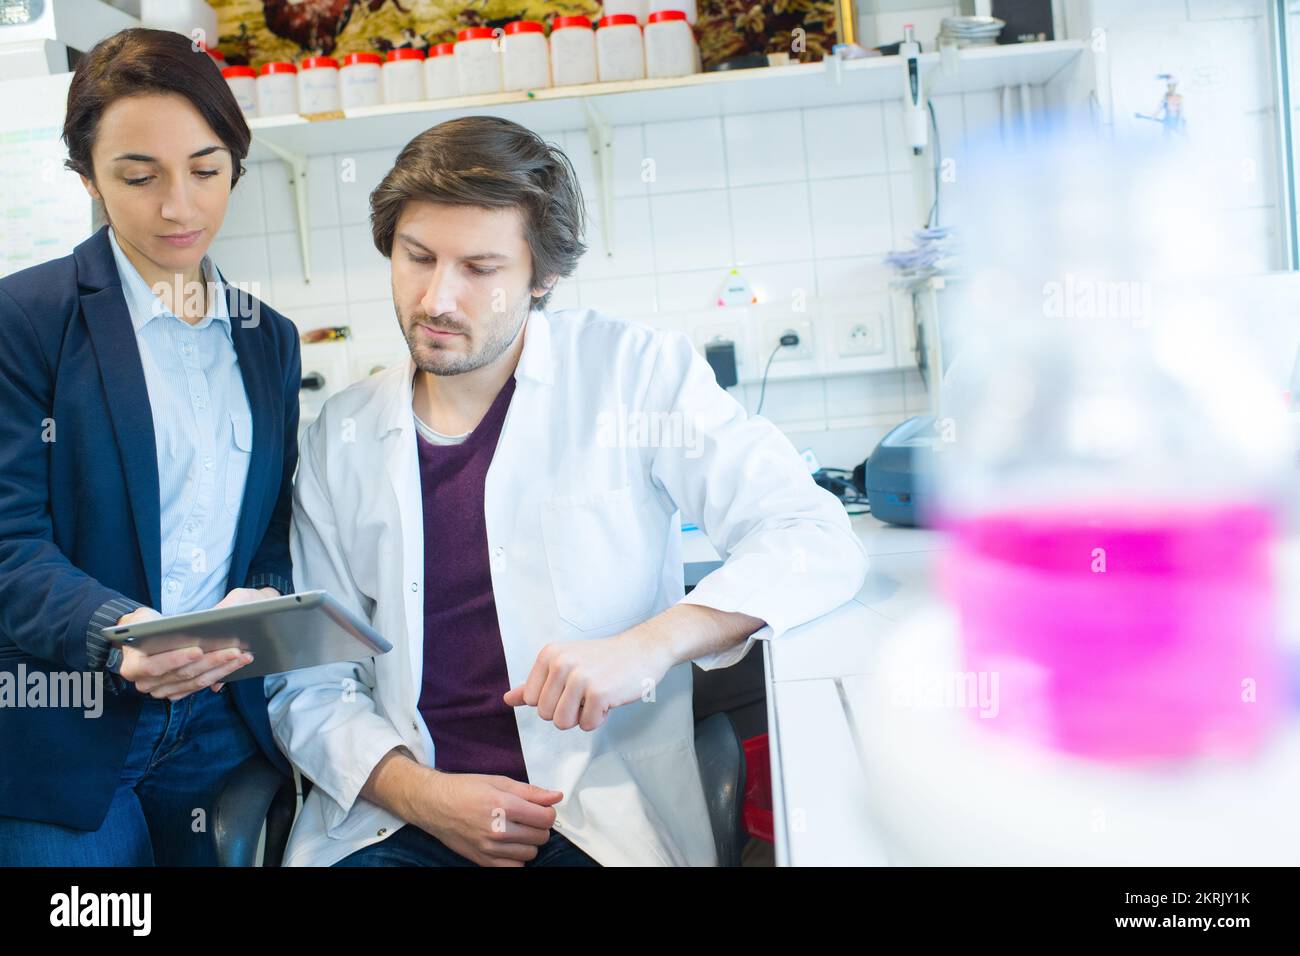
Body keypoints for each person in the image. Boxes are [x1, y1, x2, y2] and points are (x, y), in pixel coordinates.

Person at [267, 115, 869, 867]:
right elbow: (314, 682)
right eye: (417, 257)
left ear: (542, 276)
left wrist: (649, 647)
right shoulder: (341, 437)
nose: (437, 298)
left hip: (591, 819)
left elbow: (813, 536)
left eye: (480, 269)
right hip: (399, 819)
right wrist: (425, 796)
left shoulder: (633, 375)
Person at [0, 28, 301, 865]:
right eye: (139, 176)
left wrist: (259, 602)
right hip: (65, 731)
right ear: (88, 178)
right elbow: (7, 544)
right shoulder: (27, 322)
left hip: (216, 729)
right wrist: (120, 630)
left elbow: (270, 529)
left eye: (206, 171)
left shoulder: (266, 339)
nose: (180, 206)